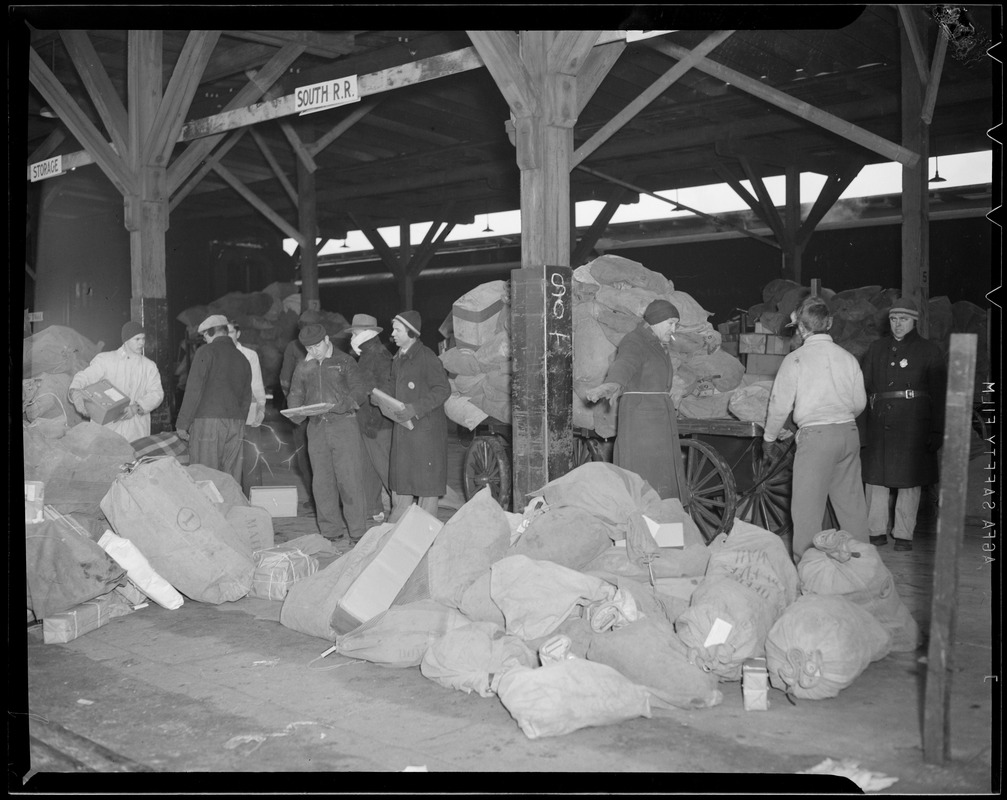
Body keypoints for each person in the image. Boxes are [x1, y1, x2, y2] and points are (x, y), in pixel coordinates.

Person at [761, 298, 870, 559]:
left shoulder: (795, 360)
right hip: (848, 433)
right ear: (829, 324)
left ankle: (808, 568)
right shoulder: (848, 358)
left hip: (816, 439)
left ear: (800, 329)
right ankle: (865, 563)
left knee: (807, 509)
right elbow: (859, 403)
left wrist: (768, 438)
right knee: (852, 505)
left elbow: (779, 406)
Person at [860, 297, 947, 552]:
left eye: (904, 319)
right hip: (879, 424)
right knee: (875, 480)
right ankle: (874, 531)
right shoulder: (876, 349)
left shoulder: (929, 351)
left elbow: (940, 395)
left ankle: (903, 535)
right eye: (894, 319)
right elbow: (862, 391)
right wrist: (862, 428)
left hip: (913, 426)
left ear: (915, 322)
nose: (898, 325)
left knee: (910, 481)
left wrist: (937, 429)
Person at [585, 299, 689, 502]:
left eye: (676, 324)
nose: (673, 329)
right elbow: (625, 364)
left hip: (657, 418)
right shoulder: (635, 341)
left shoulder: (658, 343)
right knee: (644, 475)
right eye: (670, 323)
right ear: (656, 321)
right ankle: (644, 520)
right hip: (642, 423)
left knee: (660, 475)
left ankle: (662, 515)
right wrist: (612, 384)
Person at [286, 323, 370, 542]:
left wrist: (343, 405)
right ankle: (330, 532)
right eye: (308, 349)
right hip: (316, 428)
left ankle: (358, 532)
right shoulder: (303, 367)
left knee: (349, 479)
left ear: (326, 340)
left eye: (316, 346)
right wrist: (295, 412)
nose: (313, 352)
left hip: (344, 425)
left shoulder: (345, 361)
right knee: (321, 482)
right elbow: (295, 393)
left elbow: (360, 390)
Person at [380, 310, 451, 523]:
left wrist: (415, 408)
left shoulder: (427, 357)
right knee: (402, 481)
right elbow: (394, 385)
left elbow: (442, 389)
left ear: (411, 333)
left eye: (397, 330)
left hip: (425, 432)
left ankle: (424, 535)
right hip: (404, 430)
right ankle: (394, 532)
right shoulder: (398, 358)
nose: (392, 334)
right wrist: (381, 396)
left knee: (426, 486)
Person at [175, 314, 252, 485]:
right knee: (230, 478)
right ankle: (231, 509)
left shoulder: (206, 352)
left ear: (210, 332)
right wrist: (240, 423)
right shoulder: (243, 358)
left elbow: (194, 389)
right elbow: (247, 397)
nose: (205, 340)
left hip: (208, 423)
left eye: (204, 336)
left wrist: (182, 424)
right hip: (236, 424)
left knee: (205, 476)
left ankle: (208, 511)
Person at [68, 320, 165, 443]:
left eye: (143, 339)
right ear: (126, 340)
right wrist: (75, 392)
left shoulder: (149, 366)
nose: (142, 343)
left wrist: (137, 407)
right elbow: (85, 377)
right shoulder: (106, 360)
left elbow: (157, 393)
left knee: (133, 458)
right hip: (108, 428)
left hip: (135, 429)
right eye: (137, 339)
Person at [339, 313, 395, 523]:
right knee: (369, 467)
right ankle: (374, 509)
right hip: (369, 422)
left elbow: (385, 390)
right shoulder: (368, 353)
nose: (352, 337)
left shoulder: (377, 355)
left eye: (354, 332)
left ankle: (402, 509)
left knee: (385, 468)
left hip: (377, 424)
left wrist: (373, 420)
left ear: (363, 333)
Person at [280, 309, 324, 507]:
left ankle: (316, 500)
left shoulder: (293, 347)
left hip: (302, 413)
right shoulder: (328, 345)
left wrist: (294, 405)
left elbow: (285, 379)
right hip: (326, 411)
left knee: (304, 455)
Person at [228, 320, 267, 495]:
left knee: (251, 456)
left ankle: (253, 495)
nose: (227, 336)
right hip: (226, 413)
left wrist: (261, 407)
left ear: (238, 333)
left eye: (230, 332)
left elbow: (256, 383)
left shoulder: (249, 355)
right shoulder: (218, 353)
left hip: (248, 411)